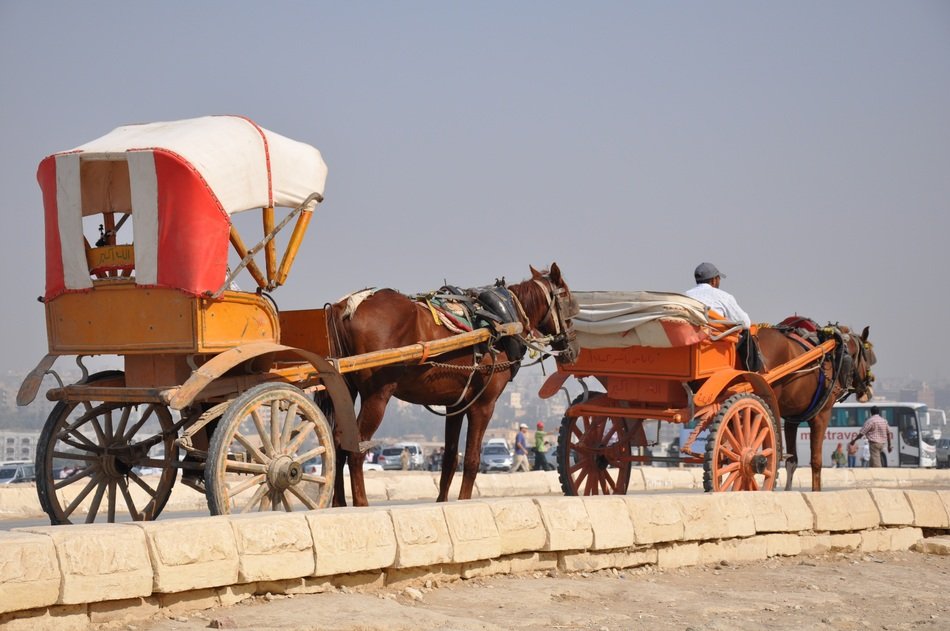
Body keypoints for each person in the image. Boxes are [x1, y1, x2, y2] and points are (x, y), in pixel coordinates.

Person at [684, 262, 751, 328]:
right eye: (719, 278)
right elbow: (745, 323)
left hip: (688, 335)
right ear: (714, 280)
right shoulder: (724, 297)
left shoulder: (684, 296)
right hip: (714, 337)